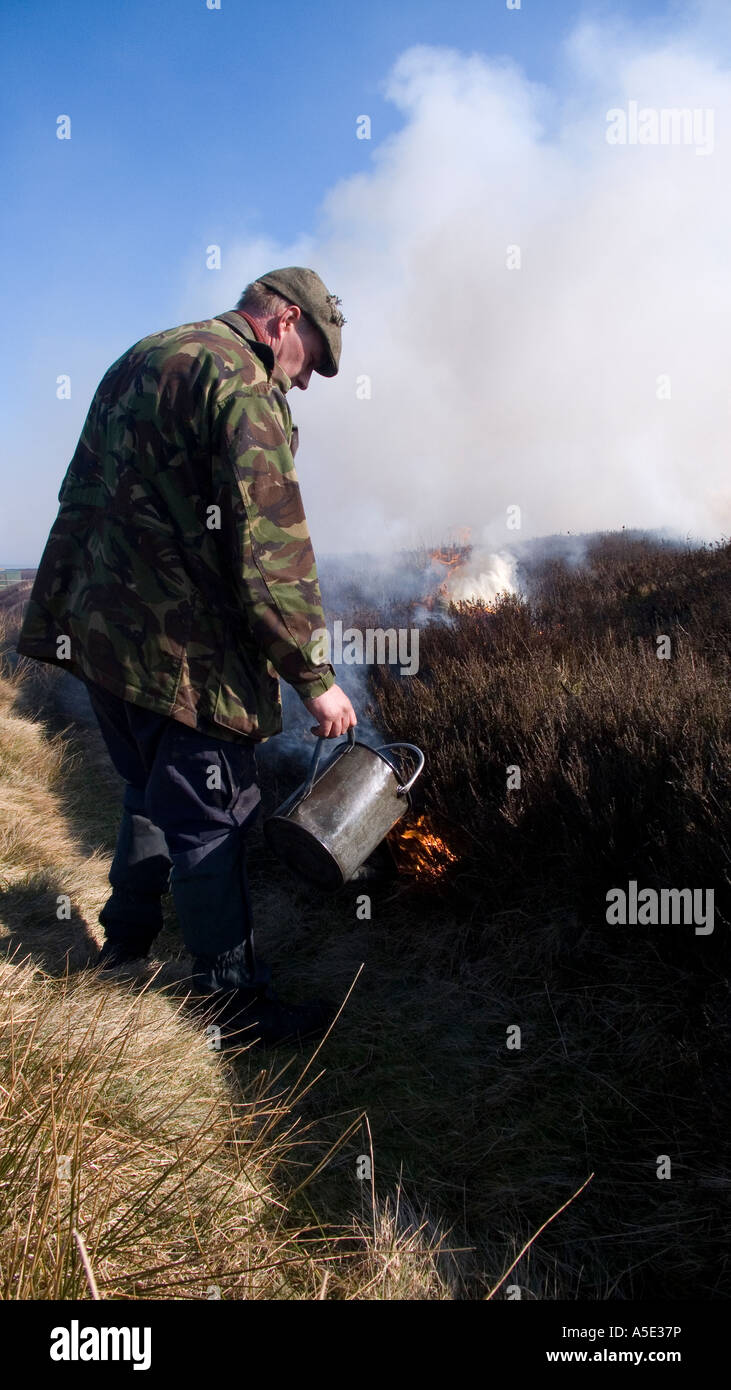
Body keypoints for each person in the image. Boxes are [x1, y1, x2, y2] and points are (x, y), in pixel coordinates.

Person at [16, 267, 357, 1046]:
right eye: (308, 359)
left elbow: (82, 493)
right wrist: (314, 678)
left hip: (106, 637)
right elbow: (268, 549)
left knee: (145, 791)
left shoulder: (143, 355)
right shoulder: (241, 382)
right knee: (212, 819)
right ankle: (231, 1006)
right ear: (282, 322)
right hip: (183, 654)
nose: (301, 382)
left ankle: (127, 947)